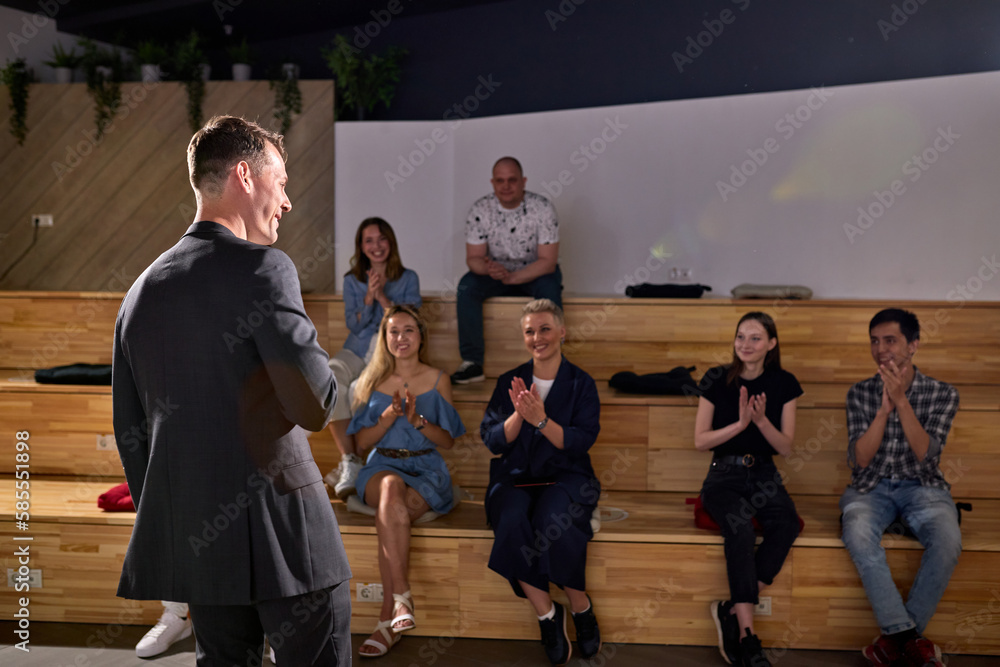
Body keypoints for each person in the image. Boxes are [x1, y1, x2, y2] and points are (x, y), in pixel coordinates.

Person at [112, 115, 352, 666]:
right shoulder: (266, 269)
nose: (287, 201)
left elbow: (133, 436)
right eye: (283, 182)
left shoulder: (140, 294)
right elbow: (315, 406)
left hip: (201, 546)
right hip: (289, 542)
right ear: (245, 175)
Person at [480, 298, 601, 665]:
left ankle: (580, 606)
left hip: (566, 478)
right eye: (530, 331)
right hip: (515, 479)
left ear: (562, 331)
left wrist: (543, 421)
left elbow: (582, 440)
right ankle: (547, 614)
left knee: (553, 521)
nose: (538, 337)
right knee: (513, 520)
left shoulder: (581, 383)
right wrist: (520, 416)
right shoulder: (509, 382)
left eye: (545, 329)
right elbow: (492, 440)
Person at [841, 308, 960, 667]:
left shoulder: (943, 394)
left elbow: (926, 456)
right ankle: (909, 640)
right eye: (875, 341)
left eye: (890, 340)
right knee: (858, 533)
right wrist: (882, 410)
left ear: (913, 346)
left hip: (923, 486)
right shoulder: (859, 393)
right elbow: (860, 460)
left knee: (948, 540)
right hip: (869, 488)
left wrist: (902, 401)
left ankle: (893, 643)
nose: (881, 349)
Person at [346, 305, 466, 658]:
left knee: (391, 518)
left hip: (426, 469)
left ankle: (390, 615)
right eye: (393, 331)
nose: (401, 338)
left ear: (420, 336)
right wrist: (387, 416)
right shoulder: (372, 380)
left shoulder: (437, 378)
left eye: (408, 330)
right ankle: (401, 599)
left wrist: (415, 420)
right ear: (384, 338)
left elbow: (448, 441)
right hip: (381, 466)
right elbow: (360, 444)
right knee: (389, 489)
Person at [695, 311, 802, 667]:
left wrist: (760, 422)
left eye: (755, 338)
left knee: (786, 523)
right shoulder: (715, 379)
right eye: (741, 336)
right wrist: (741, 425)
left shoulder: (785, 383)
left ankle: (733, 605)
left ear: (771, 344)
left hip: (765, 474)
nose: (746, 344)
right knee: (739, 528)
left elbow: (785, 447)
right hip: (723, 476)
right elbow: (700, 440)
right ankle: (747, 634)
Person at [325, 217, 421, 500]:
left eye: (381, 239)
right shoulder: (352, 280)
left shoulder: (408, 278)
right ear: (361, 246)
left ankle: (353, 465)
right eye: (369, 241)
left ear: (390, 242)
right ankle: (350, 459)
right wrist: (367, 297)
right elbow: (354, 326)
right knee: (331, 376)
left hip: (388, 353)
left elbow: (410, 323)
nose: (376, 246)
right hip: (357, 348)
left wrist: (381, 297)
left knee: (357, 390)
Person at [451, 157, 562, 385]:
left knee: (550, 287)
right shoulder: (480, 210)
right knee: (466, 286)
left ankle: (552, 361)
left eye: (512, 180)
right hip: (496, 273)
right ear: (492, 183)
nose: (506, 186)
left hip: (535, 271)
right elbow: (473, 259)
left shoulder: (542, 208)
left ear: (523, 181)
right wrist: (488, 268)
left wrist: (513, 277)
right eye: (500, 180)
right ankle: (472, 363)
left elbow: (548, 261)